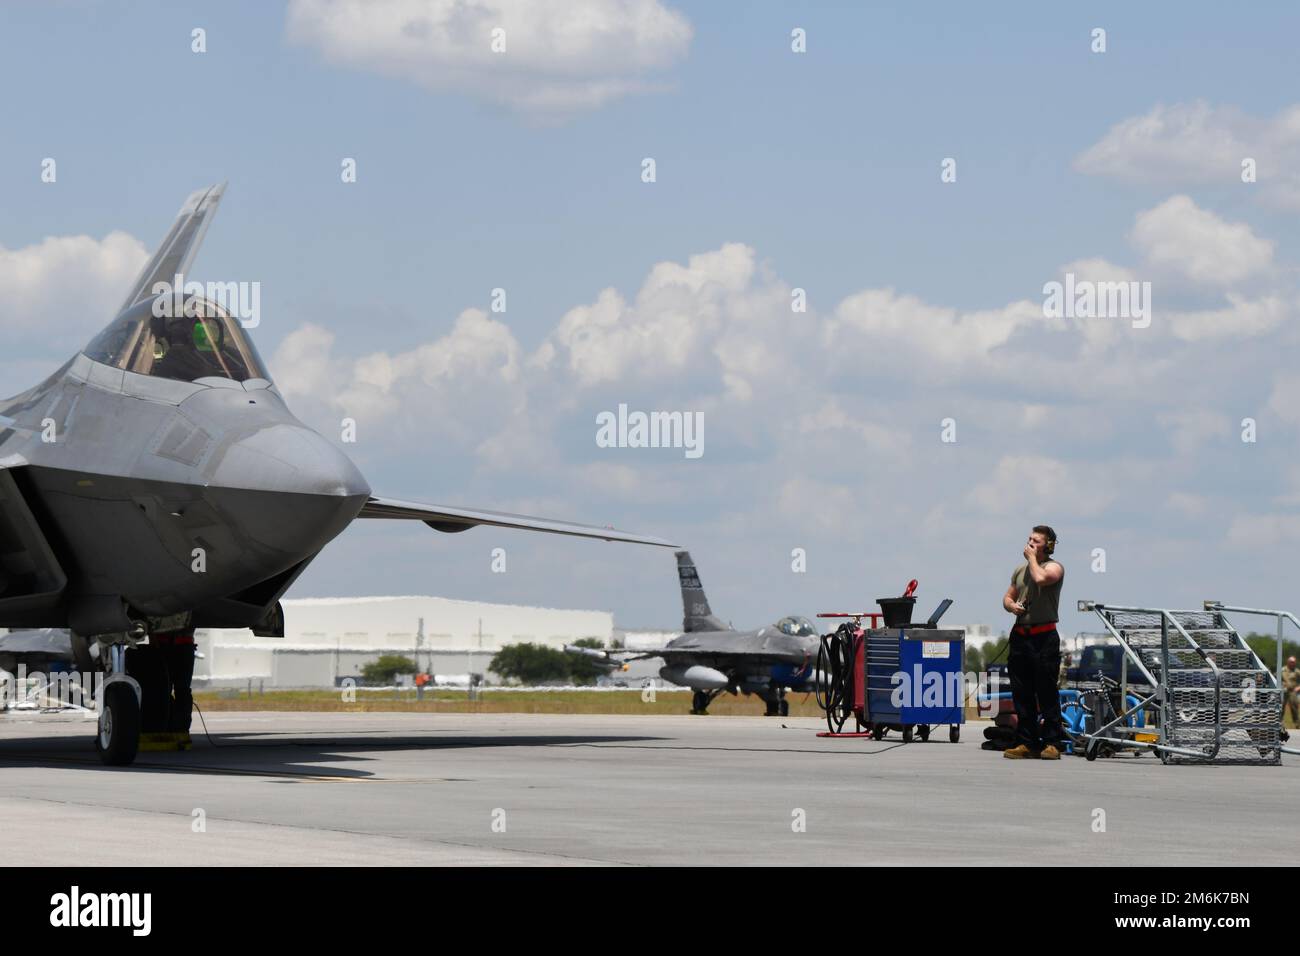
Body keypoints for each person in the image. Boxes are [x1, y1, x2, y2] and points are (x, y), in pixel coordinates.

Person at [1001, 525, 1065, 760]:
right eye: (1029, 539)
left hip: (1044, 637)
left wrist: (1031, 559)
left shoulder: (1053, 567)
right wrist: (1012, 606)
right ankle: (1026, 741)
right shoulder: (1020, 570)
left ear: (1047, 546)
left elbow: (1040, 578)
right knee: (1021, 691)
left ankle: (1052, 742)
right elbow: (1007, 596)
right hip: (1021, 635)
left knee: (1046, 690)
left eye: (1035, 541)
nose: (1029, 544)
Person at [1283, 655, 1300, 727]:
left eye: (1293, 662)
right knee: (1281, 706)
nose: (1292, 663)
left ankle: (1297, 724)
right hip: (1283, 691)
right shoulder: (1282, 670)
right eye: (1291, 662)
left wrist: (1298, 688)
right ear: (1288, 662)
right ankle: (1279, 722)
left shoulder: (1297, 671)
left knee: (1294, 706)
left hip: (1293, 691)